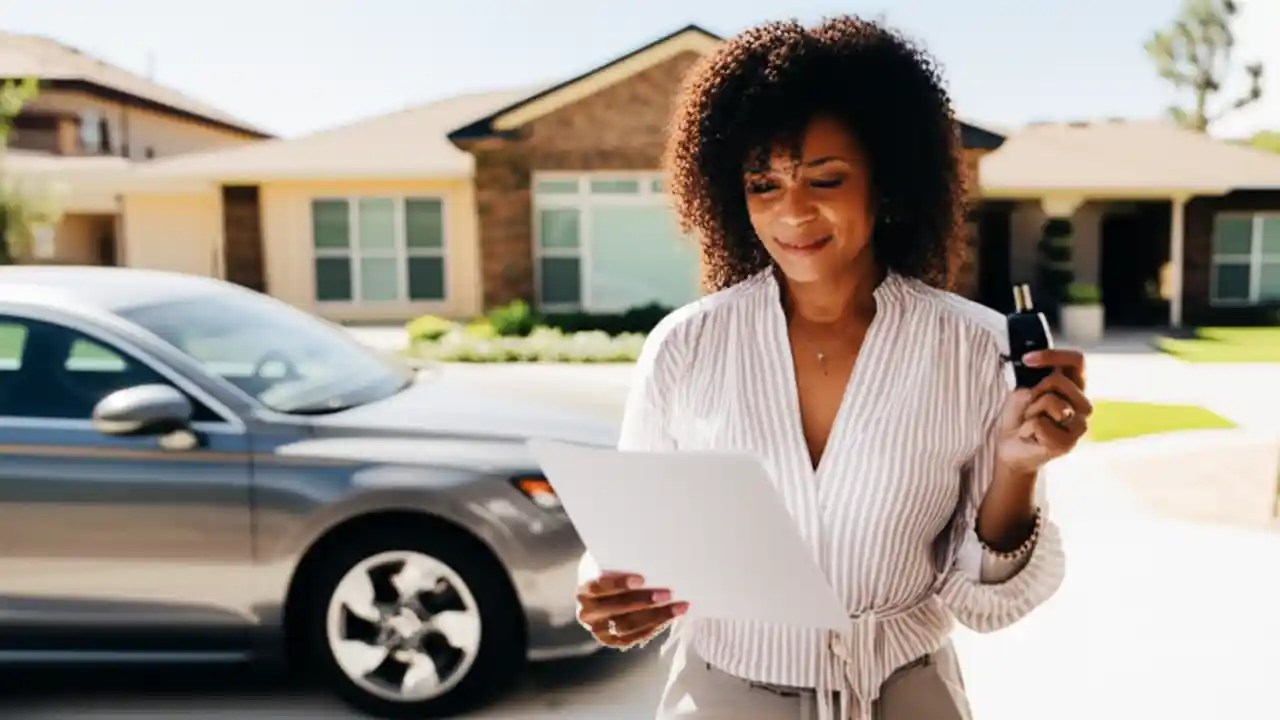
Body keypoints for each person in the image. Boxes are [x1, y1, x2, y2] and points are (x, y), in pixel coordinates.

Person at [574, 15, 1088, 720]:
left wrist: (1018, 467)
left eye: (826, 179)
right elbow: (631, 539)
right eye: (763, 184)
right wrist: (610, 590)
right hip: (725, 692)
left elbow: (984, 599)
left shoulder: (976, 347)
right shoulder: (685, 346)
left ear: (886, 183)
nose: (793, 212)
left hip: (907, 692)